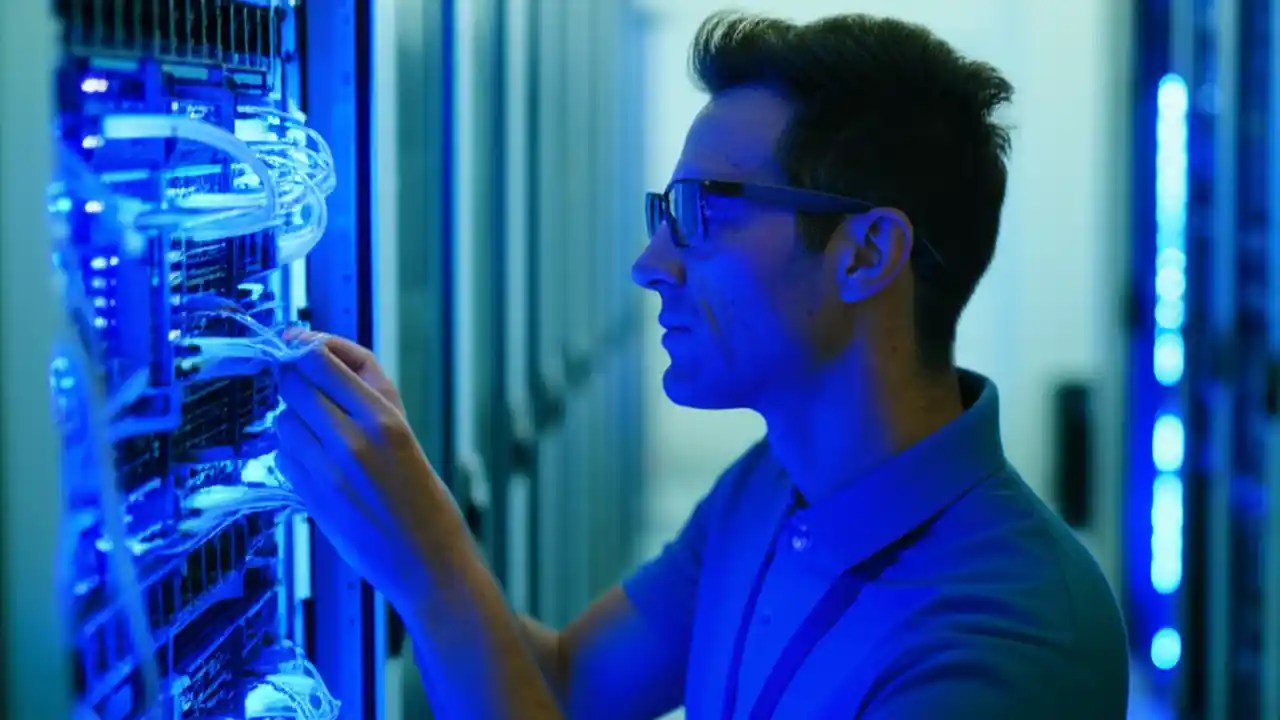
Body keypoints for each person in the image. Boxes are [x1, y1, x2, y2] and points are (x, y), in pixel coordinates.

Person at [274, 10, 1130, 719]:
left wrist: (431, 564)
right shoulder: (770, 486)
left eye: (699, 212)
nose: (652, 262)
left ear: (867, 253)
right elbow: (568, 686)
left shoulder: (1009, 637)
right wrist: (398, 524)